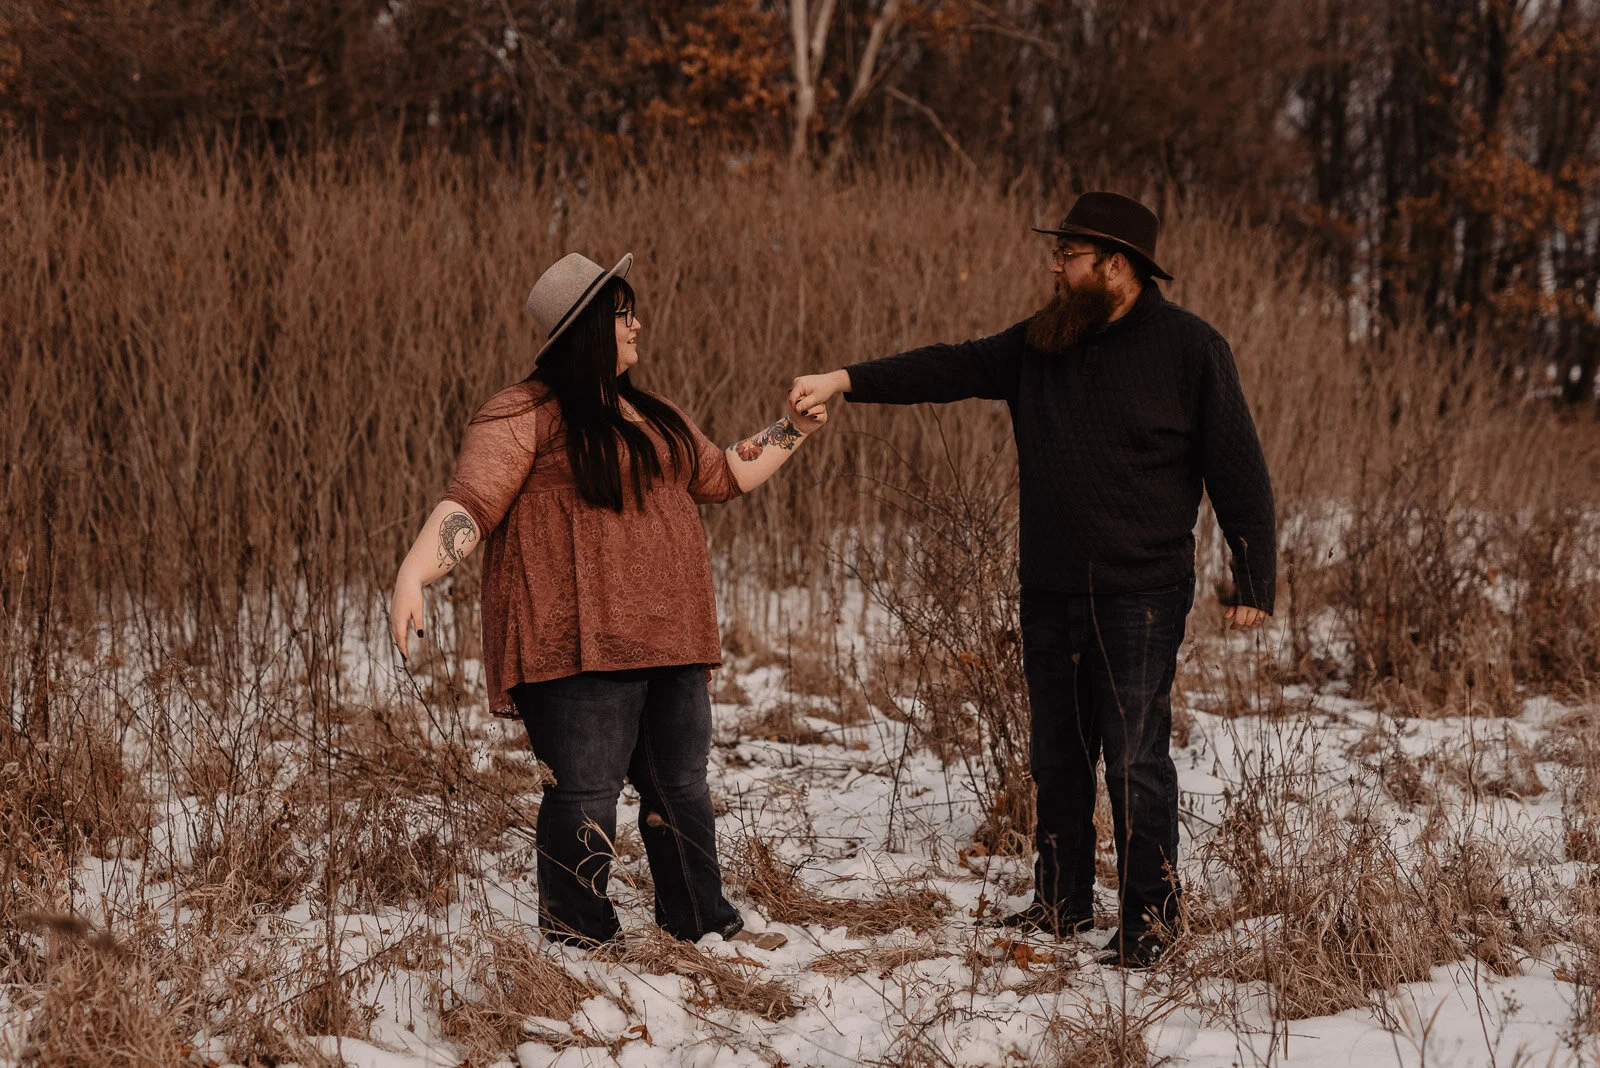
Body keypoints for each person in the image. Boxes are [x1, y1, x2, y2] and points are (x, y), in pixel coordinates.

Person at [789, 192, 1275, 968]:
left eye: (1068, 256)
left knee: (1135, 761)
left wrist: (1252, 576)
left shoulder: (1190, 349)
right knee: (1057, 757)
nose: (1054, 268)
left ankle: (1151, 920)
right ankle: (1061, 901)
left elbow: (1238, 466)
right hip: (1049, 588)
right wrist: (844, 378)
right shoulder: (1043, 343)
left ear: (1117, 266)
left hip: (1142, 594)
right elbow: (950, 365)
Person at [390, 252, 824, 948]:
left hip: (670, 635)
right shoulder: (523, 414)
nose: (637, 325)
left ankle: (701, 924)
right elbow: (471, 502)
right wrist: (415, 571)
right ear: (588, 327)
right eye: (623, 315)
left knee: (680, 787)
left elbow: (723, 474)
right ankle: (579, 939)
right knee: (585, 793)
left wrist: (792, 427)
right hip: (577, 645)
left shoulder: (653, 413)